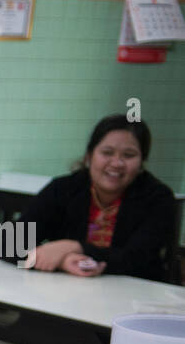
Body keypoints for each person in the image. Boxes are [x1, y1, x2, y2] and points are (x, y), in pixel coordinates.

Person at [14, 114, 177, 281]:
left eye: (129, 155)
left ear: (142, 161)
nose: (117, 163)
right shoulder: (64, 189)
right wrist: (63, 261)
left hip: (132, 297)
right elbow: (6, 242)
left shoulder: (158, 198)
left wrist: (74, 247)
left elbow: (136, 259)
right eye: (107, 152)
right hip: (64, 293)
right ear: (89, 156)